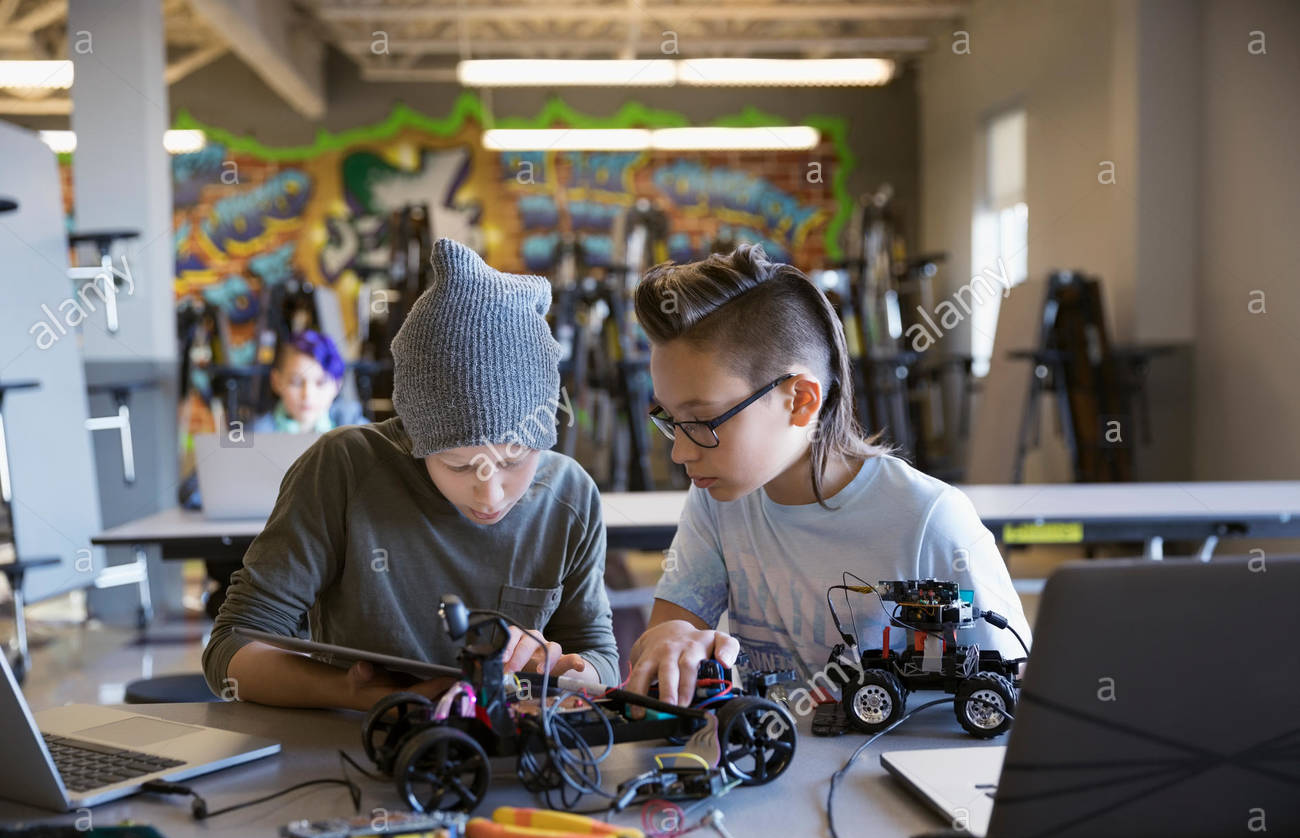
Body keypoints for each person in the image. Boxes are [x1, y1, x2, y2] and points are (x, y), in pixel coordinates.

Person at [202, 238, 617, 710]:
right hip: (357, 741)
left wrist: (561, 668)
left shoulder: (570, 495)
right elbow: (231, 648)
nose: (489, 494)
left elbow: (601, 658)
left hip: (514, 744)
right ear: (416, 440)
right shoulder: (342, 470)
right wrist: (356, 693)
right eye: (458, 464)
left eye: (514, 462)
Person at [625, 244, 1031, 711]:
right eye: (670, 418)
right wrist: (669, 641)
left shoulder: (930, 521)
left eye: (701, 421)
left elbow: (1014, 702)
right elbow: (661, 648)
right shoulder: (717, 501)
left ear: (800, 400)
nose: (680, 451)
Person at [186, 329, 366, 618]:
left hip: (334, 555)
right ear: (276, 381)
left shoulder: (361, 433)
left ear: (337, 385)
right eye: (296, 382)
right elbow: (193, 490)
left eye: (320, 382)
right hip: (266, 550)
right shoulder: (250, 435)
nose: (308, 394)